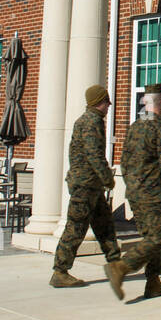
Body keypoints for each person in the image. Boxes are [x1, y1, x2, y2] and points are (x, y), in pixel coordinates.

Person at [105, 83, 161, 300]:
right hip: (154, 193)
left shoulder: (134, 127)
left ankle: (153, 282)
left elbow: (124, 162)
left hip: (135, 192)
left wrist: (132, 186)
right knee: (159, 236)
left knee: (152, 235)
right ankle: (121, 267)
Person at [51, 84, 123, 287]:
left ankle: (116, 264)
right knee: (76, 227)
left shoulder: (89, 120)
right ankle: (60, 271)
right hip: (85, 186)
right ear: (99, 102)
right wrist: (108, 178)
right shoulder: (91, 122)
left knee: (105, 225)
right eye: (107, 101)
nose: (109, 105)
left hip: (92, 186)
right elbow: (94, 155)